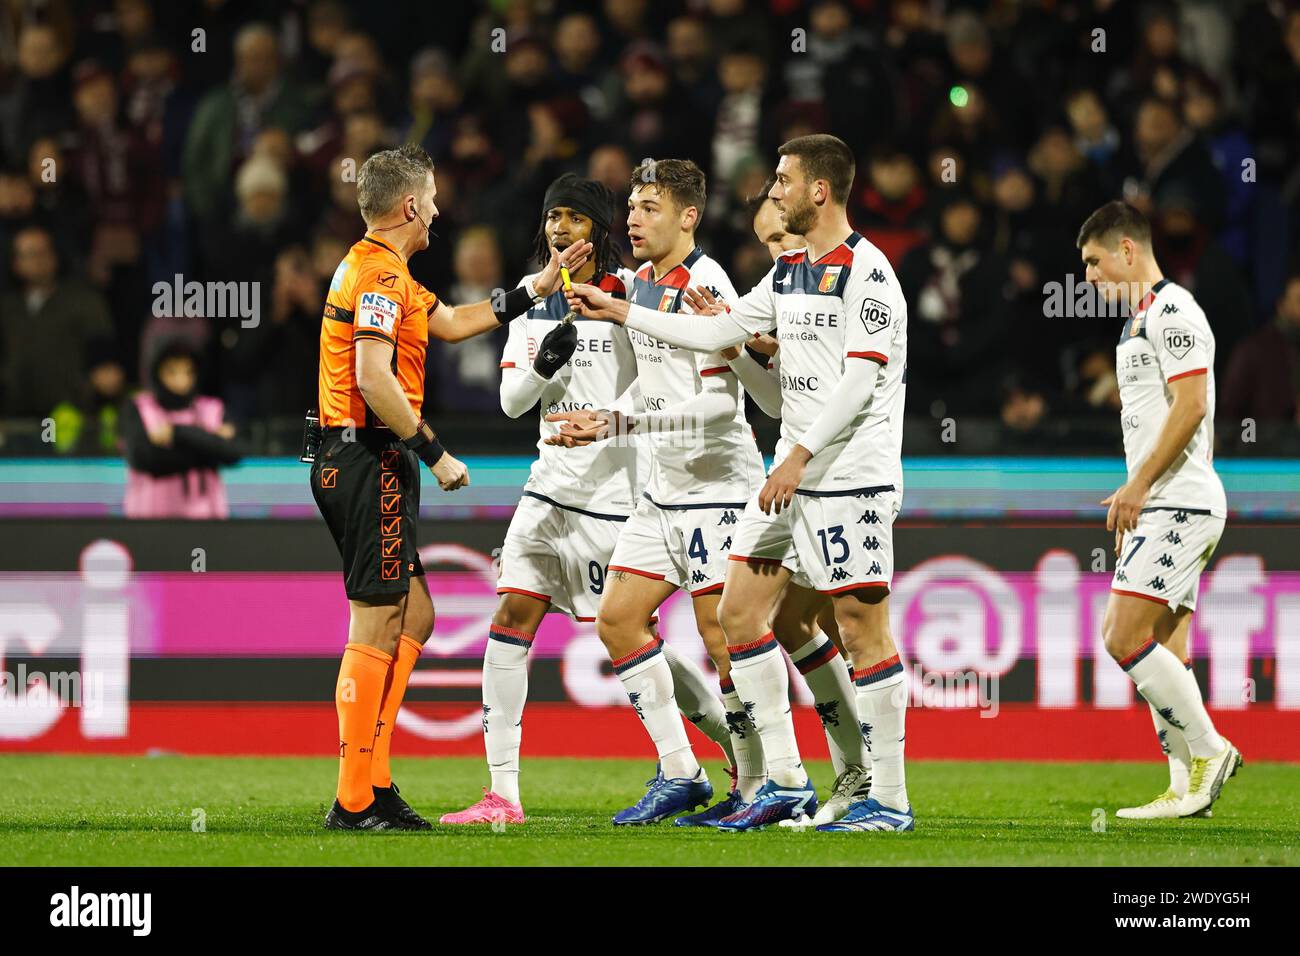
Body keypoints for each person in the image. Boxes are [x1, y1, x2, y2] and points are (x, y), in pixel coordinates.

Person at [565, 134, 913, 833]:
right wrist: (625, 311)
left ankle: (890, 799)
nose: (772, 191)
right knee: (741, 613)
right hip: (791, 475)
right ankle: (783, 780)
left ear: (819, 190)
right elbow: (731, 340)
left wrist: (799, 454)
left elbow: (860, 380)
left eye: (783, 181)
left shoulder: (868, 274)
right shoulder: (787, 275)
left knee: (857, 626)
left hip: (848, 476)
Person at [440, 173, 739, 826]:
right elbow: (513, 402)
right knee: (510, 619)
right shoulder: (535, 304)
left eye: (574, 218)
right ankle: (503, 795)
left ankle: (721, 745)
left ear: (600, 230)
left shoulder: (632, 297)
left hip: (616, 498)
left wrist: (616, 415)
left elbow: (658, 387)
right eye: (553, 218)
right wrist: (547, 359)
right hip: (547, 493)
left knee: (633, 636)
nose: (559, 229)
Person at [312, 144, 587, 830]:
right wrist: (434, 454)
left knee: (418, 617)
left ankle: (374, 780)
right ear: (410, 205)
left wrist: (537, 287)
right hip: (367, 456)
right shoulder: (378, 278)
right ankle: (354, 800)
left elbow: (458, 322)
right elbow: (374, 377)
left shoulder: (387, 273)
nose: (437, 207)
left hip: (362, 458)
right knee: (374, 623)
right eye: (430, 197)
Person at [1078, 200, 1241, 819]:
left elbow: (1194, 404)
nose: (1088, 279)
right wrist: (1140, 497)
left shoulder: (1172, 310)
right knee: (1167, 651)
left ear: (1127, 249)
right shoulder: (1136, 323)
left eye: (1094, 263)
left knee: (1121, 636)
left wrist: (1143, 486)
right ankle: (1185, 786)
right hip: (1164, 503)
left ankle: (1209, 750)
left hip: (1177, 502)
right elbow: (1187, 419)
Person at [120, 337, 241, 517]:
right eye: (172, 372)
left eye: (188, 372)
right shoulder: (138, 407)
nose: (180, 380)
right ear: (157, 373)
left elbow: (235, 453)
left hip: (207, 519)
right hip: (151, 518)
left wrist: (177, 433)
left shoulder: (212, 408)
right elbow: (144, 458)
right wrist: (209, 448)